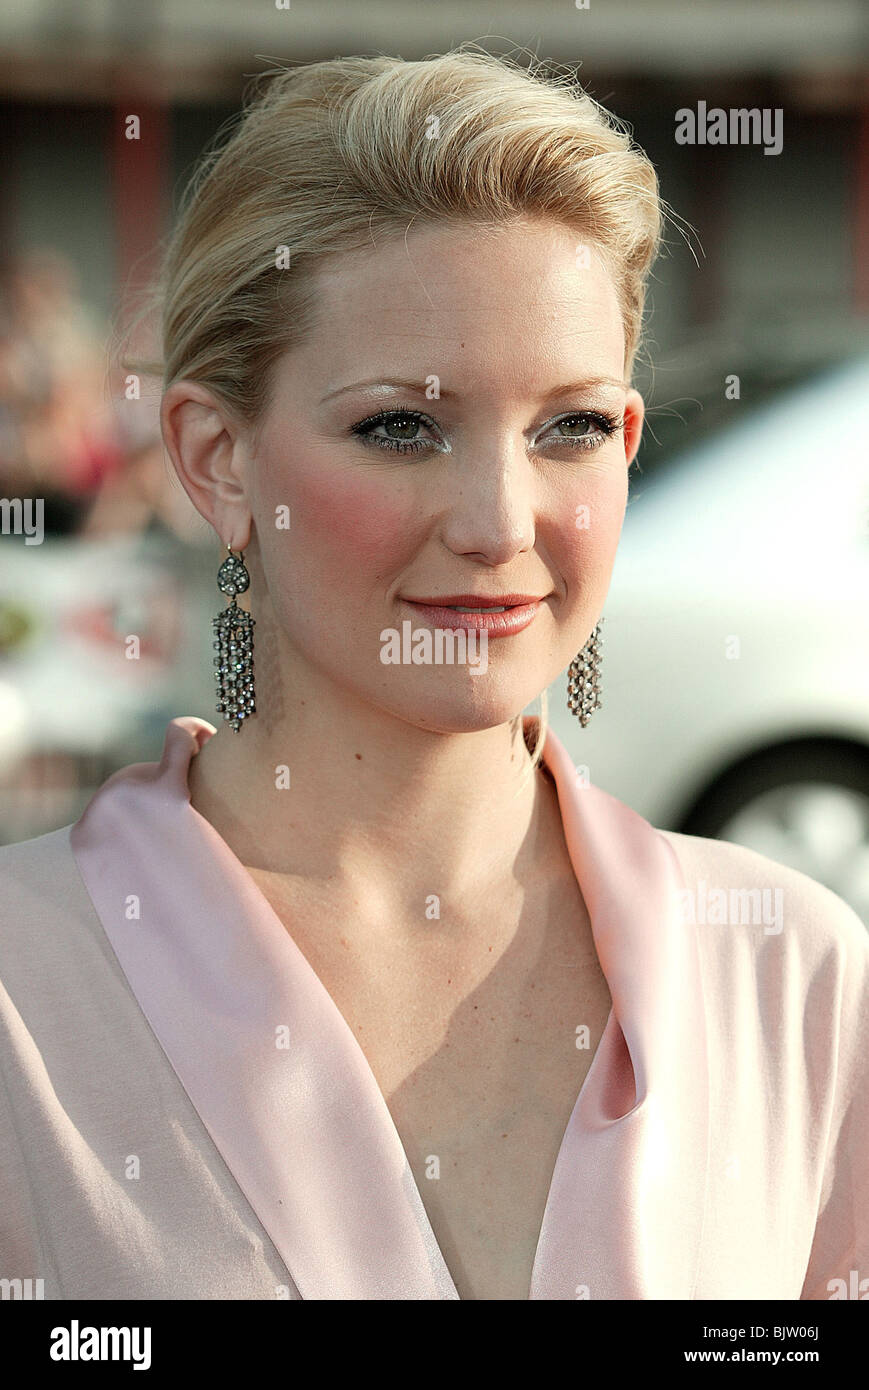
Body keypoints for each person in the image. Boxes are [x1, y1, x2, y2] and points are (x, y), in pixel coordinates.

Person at [1, 48, 866, 1302]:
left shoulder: (791, 976)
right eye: (399, 426)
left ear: (626, 445)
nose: (499, 520)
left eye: (566, 426)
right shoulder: (29, 987)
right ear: (216, 459)